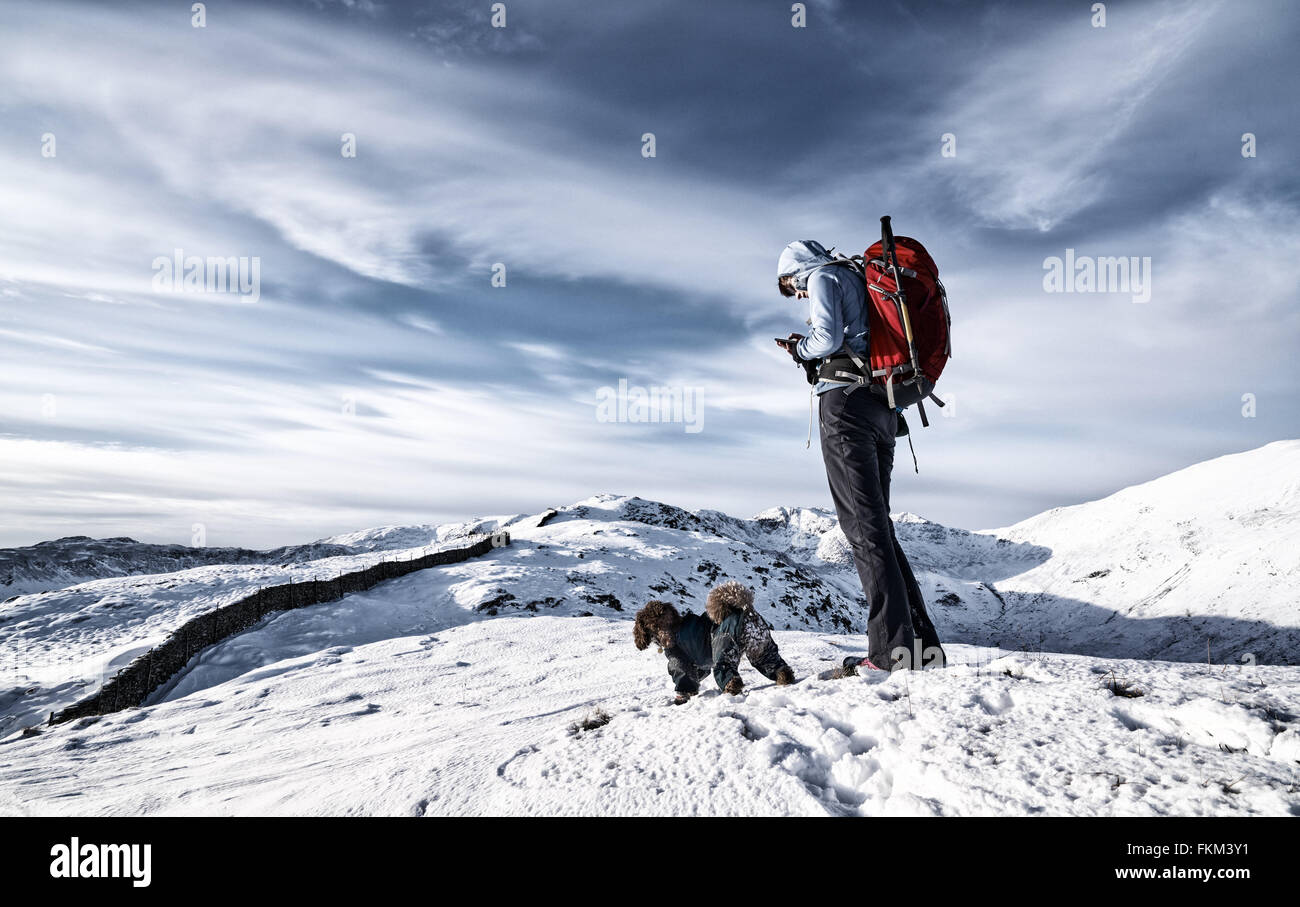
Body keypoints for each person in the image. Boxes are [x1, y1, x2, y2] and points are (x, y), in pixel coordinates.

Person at [775, 240, 946, 671]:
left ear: (795, 271)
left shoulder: (821, 276)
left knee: (863, 529)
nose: (798, 295)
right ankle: (921, 648)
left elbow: (828, 336)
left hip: (845, 405)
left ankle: (891, 655)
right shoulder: (859, 276)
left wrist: (800, 349)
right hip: (882, 407)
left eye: (791, 288)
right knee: (879, 527)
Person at [633, 581, 795, 703]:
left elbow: (681, 667)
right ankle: (782, 672)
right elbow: (699, 666)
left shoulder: (674, 644)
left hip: (728, 630)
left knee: (722, 656)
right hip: (752, 618)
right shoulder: (691, 625)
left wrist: (684, 691)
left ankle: (731, 683)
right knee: (761, 651)